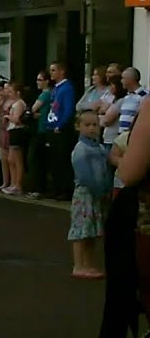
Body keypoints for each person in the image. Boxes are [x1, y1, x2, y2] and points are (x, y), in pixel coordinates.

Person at [69, 109, 110, 279]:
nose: (92, 128)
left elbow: (106, 170)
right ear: (78, 126)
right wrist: (99, 189)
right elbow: (84, 175)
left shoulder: (100, 148)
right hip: (84, 194)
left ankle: (89, 264)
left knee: (92, 232)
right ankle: (78, 265)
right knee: (81, 230)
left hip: (97, 195)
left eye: (95, 125)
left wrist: (106, 188)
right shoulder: (81, 149)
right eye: (87, 125)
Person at [46, 61, 79, 202]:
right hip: (52, 126)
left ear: (62, 71)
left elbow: (68, 109)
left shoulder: (67, 88)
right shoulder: (56, 88)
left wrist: (61, 125)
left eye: (54, 70)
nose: (51, 73)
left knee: (62, 161)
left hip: (61, 130)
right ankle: (56, 188)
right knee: (54, 161)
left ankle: (65, 190)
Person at [3, 82, 29, 195]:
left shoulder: (19, 104)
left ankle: (18, 185)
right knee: (10, 159)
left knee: (17, 160)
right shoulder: (14, 103)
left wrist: (8, 116)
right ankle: (13, 183)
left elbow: (17, 119)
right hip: (12, 130)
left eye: (11, 92)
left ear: (18, 93)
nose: (9, 94)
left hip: (17, 131)